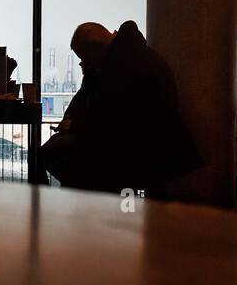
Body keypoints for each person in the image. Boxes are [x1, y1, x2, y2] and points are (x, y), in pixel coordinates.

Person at [40, 20, 200, 192]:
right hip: (148, 148)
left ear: (94, 51)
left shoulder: (120, 67)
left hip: (133, 152)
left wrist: (72, 124)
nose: (84, 63)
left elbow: (106, 116)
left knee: (48, 155)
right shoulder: (132, 58)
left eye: (85, 58)